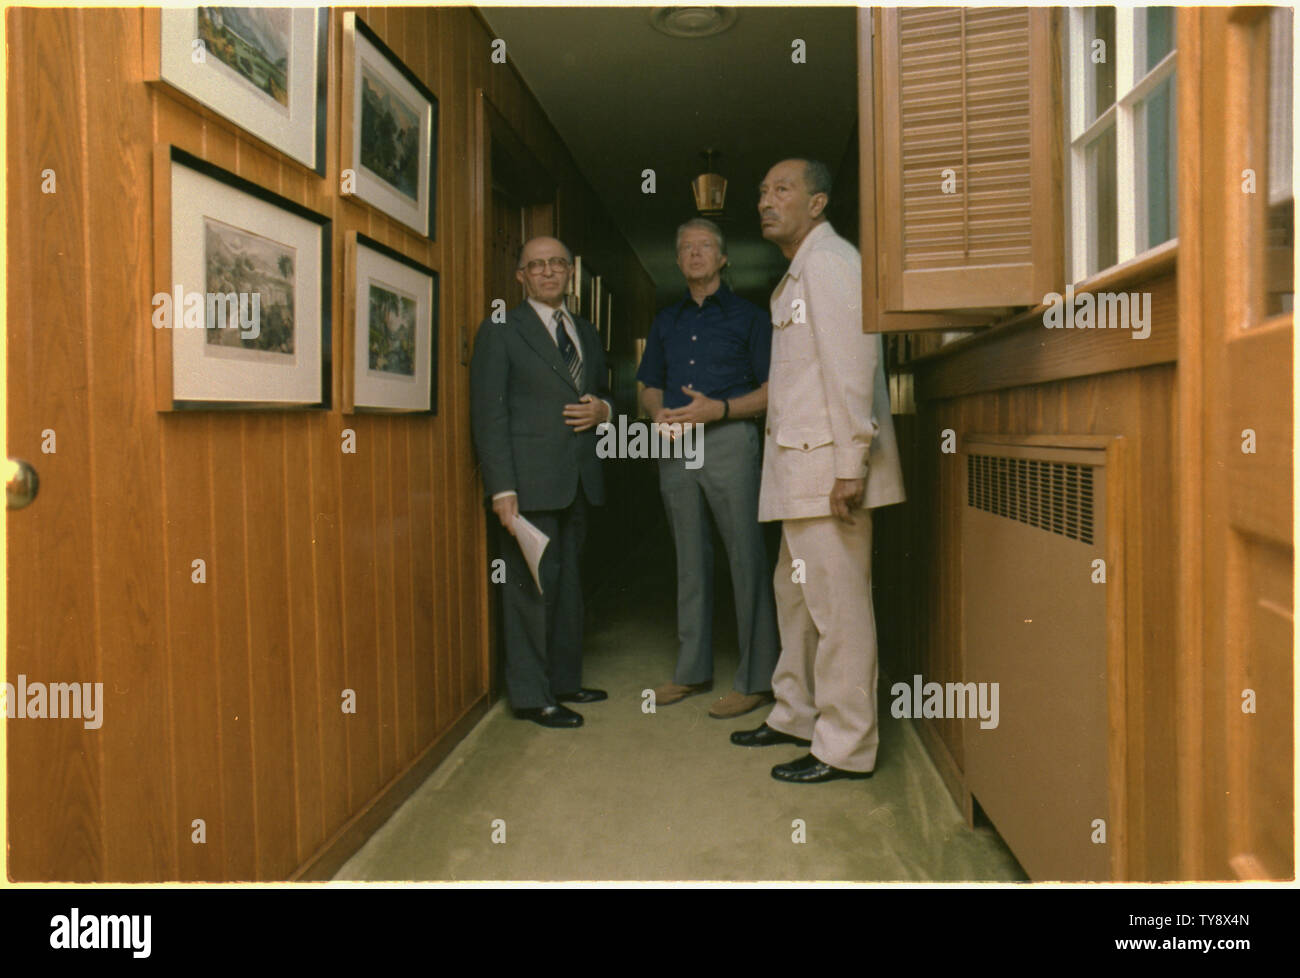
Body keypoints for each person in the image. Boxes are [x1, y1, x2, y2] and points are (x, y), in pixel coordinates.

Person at [731, 159, 906, 782]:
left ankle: (845, 747)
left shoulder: (831, 264)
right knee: (797, 601)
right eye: (762, 191)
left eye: (782, 190)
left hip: (829, 475)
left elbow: (852, 369)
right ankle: (795, 714)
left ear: (818, 203)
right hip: (800, 477)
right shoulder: (802, 270)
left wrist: (851, 466)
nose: (765, 201)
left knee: (839, 612)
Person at [636, 218, 781, 719]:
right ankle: (691, 671)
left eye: (705, 247)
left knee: (746, 557)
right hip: (676, 444)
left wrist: (717, 410)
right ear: (678, 261)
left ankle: (757, 678)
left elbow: (772, 391)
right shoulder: (665, 321)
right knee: (688, 560)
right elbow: (649, 383)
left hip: (729, 440)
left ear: (722, 259)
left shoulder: (751, 318)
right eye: (685, 248)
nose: (694, 254)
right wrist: (656, 413)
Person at [470, 236, 612, 728]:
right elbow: (489, 415)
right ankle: (533, 696)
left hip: (578, 480)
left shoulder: (586, 332)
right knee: (530, 592)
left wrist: (605, 411)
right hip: (526, 486)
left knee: (569, 587)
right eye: (537, 266)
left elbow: (605, 394)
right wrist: (501, 489)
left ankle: (565, 681)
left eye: (556, 264)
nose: (548, 272)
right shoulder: (501, 328)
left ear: (570, 271)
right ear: (521, 276)